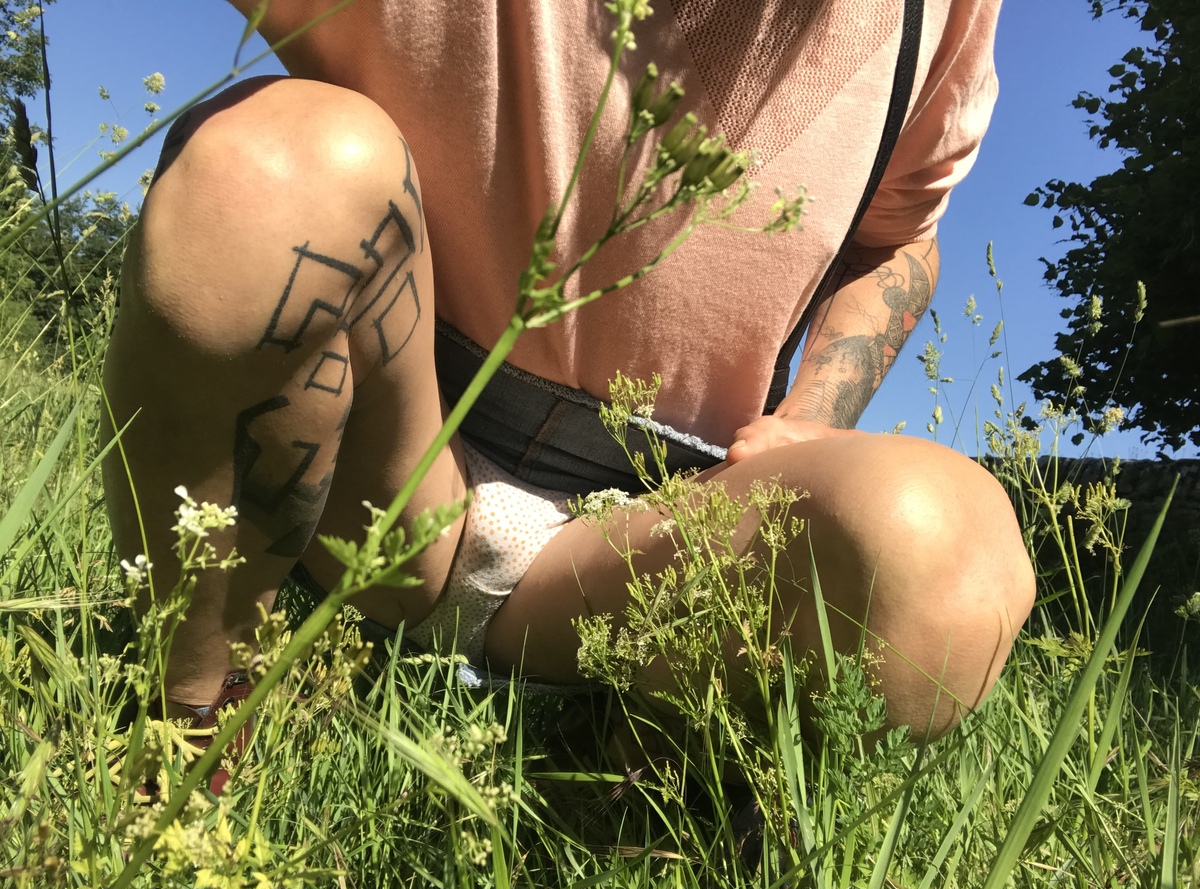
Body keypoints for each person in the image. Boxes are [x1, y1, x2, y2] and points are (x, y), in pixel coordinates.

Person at [101, 0, 1034, 742]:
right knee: (269, 170)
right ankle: (191, 722)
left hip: (653, 530)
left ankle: (639, 758)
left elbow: (899, 236)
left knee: (941, 556)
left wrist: (815, 412)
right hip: (396, 457)